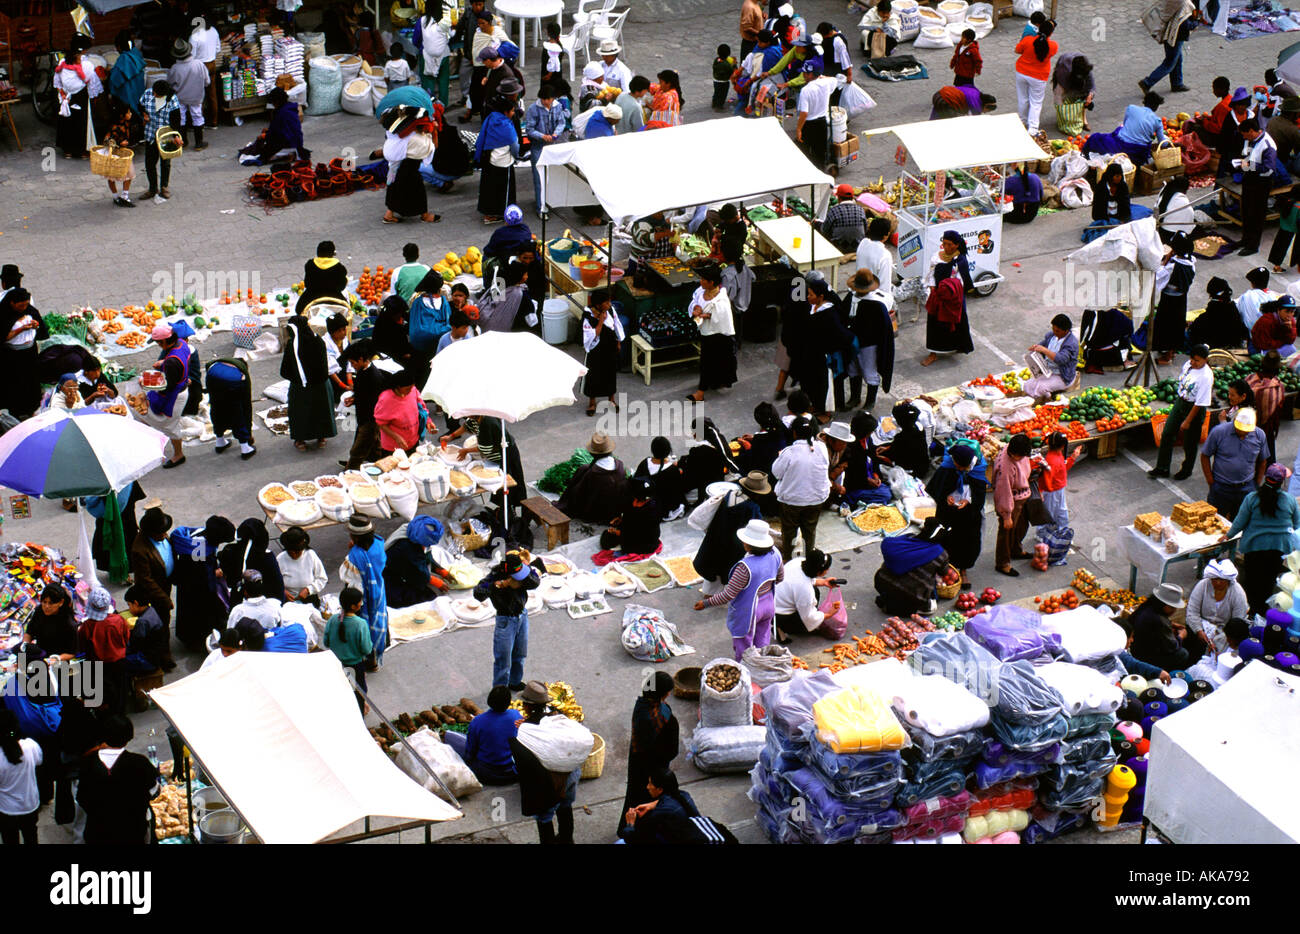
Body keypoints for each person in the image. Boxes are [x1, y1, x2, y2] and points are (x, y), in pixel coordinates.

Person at [695, 519, 784, 659]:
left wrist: (706, 603)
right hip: (769, 604)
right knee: (762, 638)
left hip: (749, 610)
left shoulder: (744, 568)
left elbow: (728, 595)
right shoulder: (776, 554)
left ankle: (745, 668)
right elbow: (780, 578)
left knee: (744, 644)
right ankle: (761, 663)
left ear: (748, 545)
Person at [510, 680, 584, 844]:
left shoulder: (526, 730)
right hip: (571, 773)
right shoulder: (557, 715)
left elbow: (521, 760)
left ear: (528, 706)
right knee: (565, 807)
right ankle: (567, 840)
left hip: (549, 782)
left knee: (544, 817)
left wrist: (523, 729)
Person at [1224, 462, 1300, 614]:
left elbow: (1240, 521)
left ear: (1266, 478)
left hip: (1254, 548)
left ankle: (1248, 612)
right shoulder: (1289, 500)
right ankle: (1261, 612)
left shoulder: (1252, 498)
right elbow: (1297, 524)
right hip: (1278, 549)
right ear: (1282, 482)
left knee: (1251, 582)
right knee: (1268, 582)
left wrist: (1227, 536)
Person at [76, 715, 159, 845]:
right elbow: (154, 792)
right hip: (132, 833)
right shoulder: (140, 763)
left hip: (98, 833)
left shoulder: (88, 763)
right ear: (128, 738)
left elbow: (81, 798)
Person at [617, 672, 681, 837]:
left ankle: (628, 827)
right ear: (663, 693)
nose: (669, 695)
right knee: (644, 799)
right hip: (650, 766)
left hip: (640, 762)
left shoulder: (644, 704)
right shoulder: (650, 717)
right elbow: (665, 749)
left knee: (635, 796)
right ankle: (633, 832)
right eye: (667, 691)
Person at [926, 440, 987, 590]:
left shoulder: (977, 469)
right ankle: (945, 568)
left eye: (963, 467)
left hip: (968, 513)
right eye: (958, 466)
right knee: (947, 539)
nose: (960, 469)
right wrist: (946, 497)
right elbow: (938, 487)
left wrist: (969, 500)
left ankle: (963, 570)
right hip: (948, 512)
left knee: (967, 541)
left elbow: (980, 491)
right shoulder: (947, 467)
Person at [474, 552, 538, 690]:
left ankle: (514, 682)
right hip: (505, 621)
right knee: (503, 660)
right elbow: (477, 593)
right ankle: (500, 691)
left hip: (522, 616)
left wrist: (528, 568)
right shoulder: (495, 576)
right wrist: (498, 585)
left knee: (520, 654)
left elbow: (535, 582)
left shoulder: (522, 572)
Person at [1149, 343, 1212, 480]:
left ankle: (1186, 469)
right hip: (1180, 402)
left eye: (1197, 360)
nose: (1193, 362)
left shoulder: (1206, 376)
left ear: (1205, 360)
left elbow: (1200, 403)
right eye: (1192, 359)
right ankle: (1162, 467)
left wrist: (1187, 421)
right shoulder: (1188, 366)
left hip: (1194, 409)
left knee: (1190, 442)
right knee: (1167, 433)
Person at [772, 417, 831, 561]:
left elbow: (776, 473)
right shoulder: (821, 448)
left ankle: (788, 558)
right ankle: (809, 558)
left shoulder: (789, 452)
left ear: (794, 433)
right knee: (809, 530)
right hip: (816, 498)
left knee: (789, 531)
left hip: (792, 501)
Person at [281, 306, 336, 452]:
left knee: (300, 413)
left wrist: (297, 378)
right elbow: (324, 365)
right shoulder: (318, 341)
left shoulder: (293, 346)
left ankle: (300, 441)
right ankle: (321, 438)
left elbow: (285, 370)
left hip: (300, 387)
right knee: (321, 411)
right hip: (321, 385)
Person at [129, 507, 177, 669]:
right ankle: (162, 658)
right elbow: (146, 580)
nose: (164, 535)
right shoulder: (140, 549)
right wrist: (165, 599)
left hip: (165, 583)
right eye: (161, 532)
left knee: (164, 621)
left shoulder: (163, 537)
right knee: (159, 626)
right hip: (154, 593)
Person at [1200, 405, 1268, 520]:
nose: (1243, 432)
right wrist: (1211, 481)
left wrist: (1256, 484)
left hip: (1246, 488)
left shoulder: (1259, 435)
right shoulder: (1219, 432)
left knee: (1240, 522)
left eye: (1246, 430)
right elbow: (1205, 456)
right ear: (1234, 421)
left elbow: (1263, 461)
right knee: (1215, 521)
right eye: (1240, 429)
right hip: (1221, 488)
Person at [443, 685, 518, 784]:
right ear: (508, 703)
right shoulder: (516, 715)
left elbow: (470, 751)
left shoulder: (477, 721)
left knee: (451, 737)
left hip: (486, 774)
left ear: (489, 701)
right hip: (512, 773)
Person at [1236, 118, 1289, 257]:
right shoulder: (1251, 139)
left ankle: (1253, 245)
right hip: (1250, 178)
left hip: (1261, 182)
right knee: (1246, 210)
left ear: (1252, 131)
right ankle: (1245, 239)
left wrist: (1250, 165)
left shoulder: (1267, 144)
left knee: (1256, 214)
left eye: (1244, 134)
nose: (1243, 137)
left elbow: (1269, 168)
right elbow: (1247, 153)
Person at [341, 516, 389, 668]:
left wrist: (353, 550)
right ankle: (375, 655)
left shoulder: (355, 557)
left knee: (363, 625)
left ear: (354, 536)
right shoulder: (379, 545)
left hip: (362, 596)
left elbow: (348, 579)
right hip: (378, 590)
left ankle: (366, 657)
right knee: (378, 619)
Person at [687, 264, 737, 402]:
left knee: (706, 362)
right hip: (706, 332)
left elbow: (722, 317)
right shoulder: (700, 292)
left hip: (718, 335)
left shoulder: (721, 300)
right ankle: (713, 382)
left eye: (704, 279)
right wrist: (695, 308)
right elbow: (694, 302)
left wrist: (707, 315)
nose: (701, 281)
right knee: (714, 361)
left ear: (712, 282)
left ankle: (700, 393)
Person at [382, 107, 441, 225]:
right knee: (417, 188)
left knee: (394, 184)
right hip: (409, 165)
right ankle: (424, 215)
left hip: (395, 162)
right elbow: (434, 147)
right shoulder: (419, 140)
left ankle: (389, 214)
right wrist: (434, 131)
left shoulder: (396, 128)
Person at [77, 589, 129, 715]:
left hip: (98, 666)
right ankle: (119, 715)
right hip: (119, 664)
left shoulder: (88, 626)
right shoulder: (119, 620)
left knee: (101, 698)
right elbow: (126, 637)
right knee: (119, 693)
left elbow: (82, 645)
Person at [1032, 431, 1082, 562]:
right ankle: (1042, 535)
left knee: (1060, 512)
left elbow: (1062, 469)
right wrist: (1042, 492)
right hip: (1053, 491)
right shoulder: (1052, 460)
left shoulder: (1056, 455)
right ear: (1061, 445)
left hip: (1057, 489)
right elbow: (1046, 478)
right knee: (1050, 514)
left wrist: (1073, 458)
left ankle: (1061, 533)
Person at [558, 432, 629, 524]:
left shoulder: (593, 474)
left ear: (593, 454)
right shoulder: (619, 465)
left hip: (597, 511)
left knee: (582, 470)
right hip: (615, 509)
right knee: (584, 468)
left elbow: (578, 493)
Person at [1083, 92, 1168, 167]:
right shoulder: (1158, 121)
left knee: (1095, 138)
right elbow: (1163, 144)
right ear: (1156, 107)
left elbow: (1125, 125)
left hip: (1119, 145)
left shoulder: (1131, 108)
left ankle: (1084, 156)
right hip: (1137, 153)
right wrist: (1166, 138)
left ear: (1144, 102)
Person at [0, 288, 48, 418]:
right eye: (21, 305)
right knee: (15, 382)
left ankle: (31, 407)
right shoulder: (4, 314)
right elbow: (4, 336)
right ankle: (16, 411)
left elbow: (40, 328)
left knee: (30, 380)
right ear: (12, 303)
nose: (24, 308)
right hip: (12, 357)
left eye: (26, 304)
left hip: (29, 354)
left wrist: (36, 325)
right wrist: (21, 329)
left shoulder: (30, 311)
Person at [324, 587, 374, 713]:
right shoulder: (360, 624)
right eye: (360, 602)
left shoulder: (332, 620)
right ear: (353, 606)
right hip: (355, 666)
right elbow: (367, 649)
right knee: (359, 692)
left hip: (336, 665)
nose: (361, 604)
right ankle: (360, 712)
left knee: (341, 691)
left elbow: (326, 642)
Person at [991, 433, 1034, 577]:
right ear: (1014, 454)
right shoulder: (1006, 466)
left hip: (1022, 495)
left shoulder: (1017, 451)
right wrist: (1006, 515)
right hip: (1011, 502)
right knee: (1007, 531)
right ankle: (1003, 563)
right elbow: (1003, 491)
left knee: (1021, 526)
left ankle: (1016, 550)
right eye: (1021, 456)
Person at [1184, 560, 1248, 656]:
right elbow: (1192, 611)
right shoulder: (1203, 585)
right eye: (1215, 579)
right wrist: (1199, 631)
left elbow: (1237, 622)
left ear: (1228, 580)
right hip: (1202, 624)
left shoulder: (1238, 592)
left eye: (1222, 580)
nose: (1218, 582)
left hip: (1224, 630)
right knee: (1194, 645)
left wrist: (1221, 638)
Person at [382, 515, 449, 607]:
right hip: (390, 573)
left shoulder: (414, 530)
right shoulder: (405, 547)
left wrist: (440, 570)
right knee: (427, 597)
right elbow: (417, 570)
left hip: (406, 566)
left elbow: (426, 554)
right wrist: (434, 581)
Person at [1128, 583, 1198, 671]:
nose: (1174, 611)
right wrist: (1181, 636)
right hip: (1144, 656)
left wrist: (1170, 624)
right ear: (1162, 605)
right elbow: (1173, 646)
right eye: (1172, 608)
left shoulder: (1147, 606)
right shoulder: (1159, 621)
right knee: (1183, 653)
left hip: (1137, 647)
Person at [1151, 233, 1197, 364]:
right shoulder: (1191, 261)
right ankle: (1171, 349)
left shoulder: (1173, 266)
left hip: (1170, 299)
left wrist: (1165, 260)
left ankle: (1168, 356)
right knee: (1177, 324)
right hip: (1181, 298)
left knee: (1166, 324)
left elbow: (1159, 277)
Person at [53, 35, 101, 159]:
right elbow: (91, 83)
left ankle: (67, 150)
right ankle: (81, 151)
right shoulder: (87, 65)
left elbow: (57, 81)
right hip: (80, 96)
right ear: (84, 50)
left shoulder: (63, 62)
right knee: (81, 122)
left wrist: (63, 94)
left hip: (65, 95)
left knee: (67, 121)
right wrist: (94, 97)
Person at [773, 548, 836, 640]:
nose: (828, 570)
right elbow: (809, 617)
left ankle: (779, 624)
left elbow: (805, 578)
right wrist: (828, 614)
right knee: (806, 623)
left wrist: (823, 582)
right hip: (779, 614)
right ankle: (780, 627)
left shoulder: (798, 561)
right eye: (827, 568)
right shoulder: (805, 590)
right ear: (819, 572)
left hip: (773, 600)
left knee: (815, 591)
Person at [237, 85, 309, 165]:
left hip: (290, 143)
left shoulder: (282, 113)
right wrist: (268, 132)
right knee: (265, 135)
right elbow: (280, 129)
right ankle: (290, 153)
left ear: (277, 101)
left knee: (263, 153)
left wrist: (265, 136)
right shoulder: (288, 108)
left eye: (273, 102)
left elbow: (281, 135)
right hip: (295, 141)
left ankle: (289, 154)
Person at [0, 709, 42, 845]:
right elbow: (38, 762)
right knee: (31, 837)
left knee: (9, 839)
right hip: (30, 805)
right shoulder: (31, 746)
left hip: (6, 810)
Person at [475, 96, 520, 224]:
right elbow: (515, 146)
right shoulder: (507, 127)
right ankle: (504, 215)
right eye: (511, 111)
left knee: (489, 189)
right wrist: (517, 157)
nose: (513, 113)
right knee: (505, 192)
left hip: (490, 160)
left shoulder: (491, 118)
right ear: (505, 112)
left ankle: (488, 214)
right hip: (504, 162)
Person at [921, 260, 973, 366]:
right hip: (938, 297)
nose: (946, 247)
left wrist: (952, 290)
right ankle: (933, 354)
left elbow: (962, 280)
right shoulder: (937, 257)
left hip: (954, 297)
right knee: (934, 326)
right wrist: (934, 289)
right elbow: (931, 276)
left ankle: (958, 346)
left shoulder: (961, 260)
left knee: (958, 322)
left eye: (949, 245)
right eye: (945, 244)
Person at [525, 85, 568, 214]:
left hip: (553, 146)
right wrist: (542, 136)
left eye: (547, 99)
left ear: (552, 98)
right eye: (543, 99)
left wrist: (555, 134)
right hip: (538, 146)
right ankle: (540, 208)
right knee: (539, 178)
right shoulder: (533, 109)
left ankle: (549, 201)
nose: (545, 102)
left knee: (552, 176)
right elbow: (529, 129)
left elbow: (562, 122)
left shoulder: (558, 106)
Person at [340, 340, 381, 468]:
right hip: (364, 417)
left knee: (357, 451)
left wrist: (357, 398)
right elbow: (363, 393)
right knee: (375, 446)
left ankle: (349, 471)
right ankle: (378, 464)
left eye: (353, 363)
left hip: (370, 419)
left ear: (362, 359)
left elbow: (373, 399)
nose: (352, 366)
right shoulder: (363, 371)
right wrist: (354, 398)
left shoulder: (374, 376)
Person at [1138, 0, 1194, 95]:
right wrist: (1196, 23)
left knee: (1177, 59)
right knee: (1170, 62)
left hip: (1168, 32)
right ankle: (1147, 82)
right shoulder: (1184, 4)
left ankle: (1177, 83)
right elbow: (1185, 25)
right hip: (1175, 36)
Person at [205, 358, 256, 460]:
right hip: (232, 385)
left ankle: (220, 443)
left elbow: (208, 366)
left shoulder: (218, 363)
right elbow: (247, 408)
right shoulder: (242, 375)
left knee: (216, 409)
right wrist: (248, 435)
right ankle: (245, 448)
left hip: (211, 378)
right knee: (237, 413)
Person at [1012, 19, 1056, 135]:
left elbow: (1017, 50)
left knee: (1023, 99)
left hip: (1022, 72)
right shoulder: (1053, 46)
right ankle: (1033, 129)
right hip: (1039, 77)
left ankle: (1022, 122)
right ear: (1051, 33)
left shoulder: (1027, 41)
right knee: (1036, 102)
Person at [1023, 313, 1079, 402]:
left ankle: (1045, 400)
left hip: (1062, 376)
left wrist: (1045, 350)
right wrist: (1036, 347)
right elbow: (1043, 344)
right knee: (1028, 385)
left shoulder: (1071, 344)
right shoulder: (1052, 335)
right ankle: (1047, 396)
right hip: (1049, 371)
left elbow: (1061, 359)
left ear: (1066, 331)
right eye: (1053, 329)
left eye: (1057, 331)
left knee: (1040, 387)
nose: (1054, 332)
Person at [601, 477, 662, 557]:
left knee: (607, 541)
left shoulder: (652, 512)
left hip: (643, 541)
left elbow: (641, 533)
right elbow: (629, 515)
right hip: (631, 530)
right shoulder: (633, 498)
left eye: (640, 501)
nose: (635, 503)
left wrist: (619, 533)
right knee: (607, 535)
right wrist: (620, 519)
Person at [167, 38, 209, 151]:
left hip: (180, 97)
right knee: (197, 116)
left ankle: (183, 141)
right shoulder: (199, 64)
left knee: (181, 118)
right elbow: (207, 81)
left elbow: (170, 83)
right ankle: (199, 143)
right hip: (196, 96)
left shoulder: (175, 68)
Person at [1246, 351, 1286, 463]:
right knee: (1267, 453)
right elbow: (1278, 408)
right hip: (1266, 428)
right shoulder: (1277, 387)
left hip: (1247, 424)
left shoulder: (1250, 378)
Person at [373, 370, 424, 455]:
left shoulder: (413, 390)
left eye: (412, 387)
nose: (411, 390)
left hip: (413, 440)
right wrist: (396, 437)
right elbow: (381, 423)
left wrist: (428, 421)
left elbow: (421, 405)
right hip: (394, 446)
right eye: (407, 388)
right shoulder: (386, 399)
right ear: (398, 387)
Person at [22, 583, 78, 662]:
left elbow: (71, 653)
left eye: (51, 603)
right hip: (39, 655)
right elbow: (29, 632)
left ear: (61, 602)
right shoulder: (39, 611)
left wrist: (57, 659)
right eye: (44, 602)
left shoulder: (69, 624)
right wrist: (25, 645)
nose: (47, 606)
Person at [277, 526, 328, 606]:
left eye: (297, 552)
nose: (294, 554)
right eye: (291, 552)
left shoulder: (310, 555)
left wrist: (309, 589)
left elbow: (322, 578)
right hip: (288, 600)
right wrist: (283, 591)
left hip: (309, 598)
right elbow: (273, 582)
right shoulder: (280, 558)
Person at [414, 0, 452, 105]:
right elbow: (450, 36)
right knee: (443, 83)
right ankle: (443, 106)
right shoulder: (445, 20)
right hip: (444, 54)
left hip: (427, 56)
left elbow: (416, 40)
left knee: (428, 82)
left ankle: (429, 105)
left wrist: (422, 47)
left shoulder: (422, 21)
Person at [296, 241, 349, 314]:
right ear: (333, 254)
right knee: (346, 311)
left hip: (311, 297)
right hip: (334, 298)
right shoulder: (340, 268)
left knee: (299, 310)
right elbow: (341, 287)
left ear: (318, 253)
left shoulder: (310, 264)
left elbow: (307, 284)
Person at [855, 216, 896, 308]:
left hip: (858, 292)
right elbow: (884, 287)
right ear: (886, 236)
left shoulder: (863, 243)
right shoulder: (885, 255)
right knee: (890, 298)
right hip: (873, 300)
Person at [1051, 52, 1094, 134]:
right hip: (1065, 80)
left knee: (1083, 97)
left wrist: (1089, 96)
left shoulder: (1086, 70)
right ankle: (1063, 121)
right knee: (1060, 99)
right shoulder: (1063, 73)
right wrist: (1064, 112)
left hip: (1077, 82)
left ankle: (1083, 120)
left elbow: (1091, 86)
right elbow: (1058, 94)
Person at [1156, 175, 1195, 244]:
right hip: (1172, 234)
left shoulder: (1165, 190)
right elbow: (1189, 226)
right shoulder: (1182, 202)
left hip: (1161, 228)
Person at [1237, 266, 1276, 335]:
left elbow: (1238, 311)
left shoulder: (1246, 296)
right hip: (1268, 334)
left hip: (1250, 334)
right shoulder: (1273, 297)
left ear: (1252, 284)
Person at [1269, 192, 1300, 273]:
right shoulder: (1298, 207)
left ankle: (1276, 266)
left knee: (1279, 246)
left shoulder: (1288, 201)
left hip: (1283, 227)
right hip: (1293, 229)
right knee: (1293, 249)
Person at [713, 43, 737, 111]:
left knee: (716, 92)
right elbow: (732, 71)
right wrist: (734, 64)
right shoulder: (726, 64)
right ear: (728, 54)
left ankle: (714, 103)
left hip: (716, 80)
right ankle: (719, 107)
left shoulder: (717, 60)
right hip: (724, 82)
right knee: (722, 95)